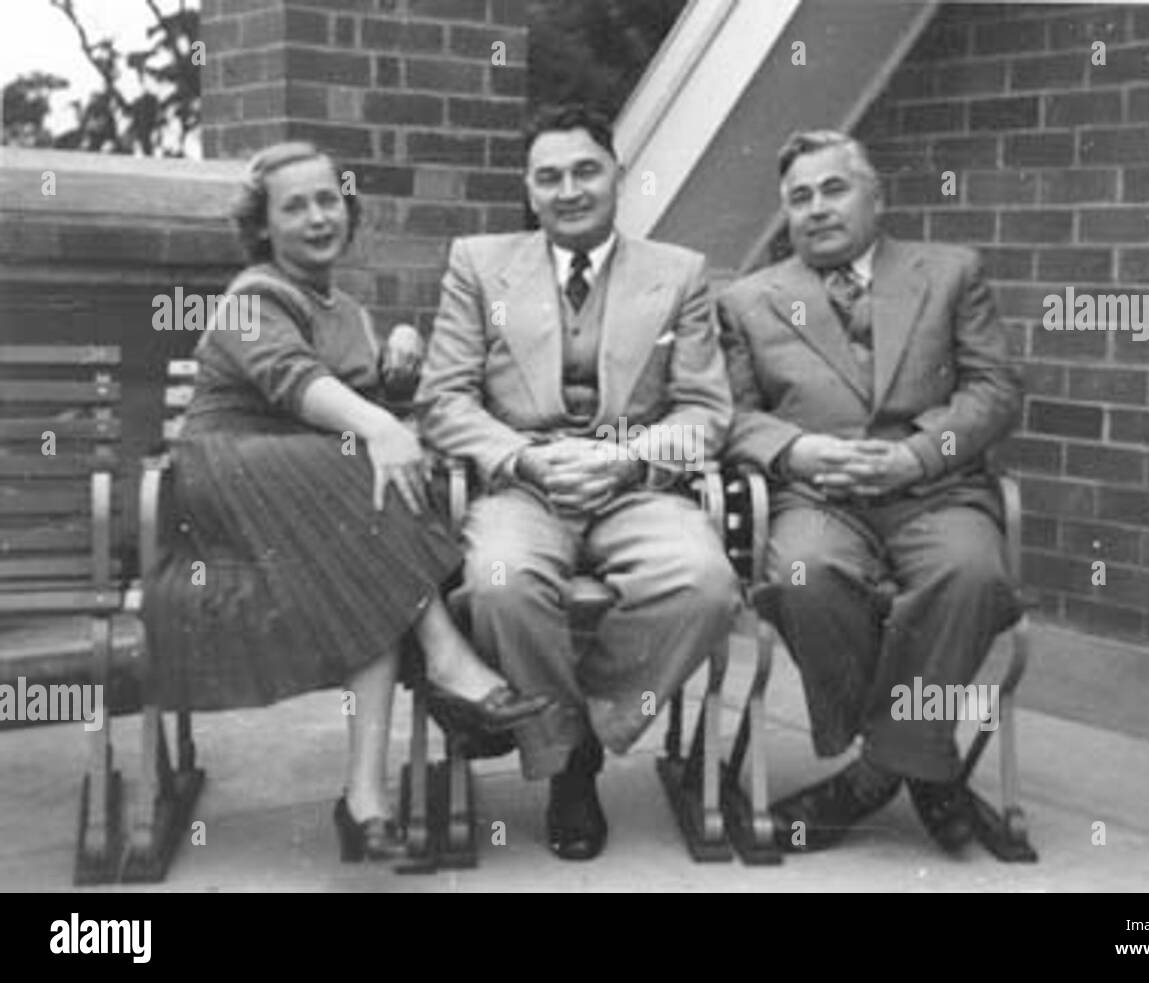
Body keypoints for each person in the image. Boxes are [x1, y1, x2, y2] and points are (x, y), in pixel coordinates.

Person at [141, 142, 550, 864]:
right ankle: (450, 657)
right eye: (294, 205)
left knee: (375, 582)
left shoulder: (350, 311)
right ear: (263, 227)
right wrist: (383, 421)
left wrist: (397, 356)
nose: (318, 216)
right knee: (364, 470)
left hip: (316, 500)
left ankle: (364, 801)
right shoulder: (250, 296)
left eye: (329, 199)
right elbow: (295, 382)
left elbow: (360, 410)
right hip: (226, 480)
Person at [416, 105, 739, 861]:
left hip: (636, 480)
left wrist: (629, 461)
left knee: (706, 583)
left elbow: (706, 409)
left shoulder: (679, 272)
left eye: (586, 170)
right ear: (528, 191)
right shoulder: (478, 263)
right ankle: (567, 769)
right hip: (523, 479)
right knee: (498, 582)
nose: (569, 190)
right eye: (549, 176)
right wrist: (523, 459)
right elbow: (443, 397)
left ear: (617, 176)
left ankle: (583, 730)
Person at [717, 130, 1023, 854]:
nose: (816, 209)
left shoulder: (950, 273)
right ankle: (926, 760)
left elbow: (996, 389)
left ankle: (873, 773)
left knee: (974, 572)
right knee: (804, 575)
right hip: (815, 497)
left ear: (875, 197)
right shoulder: (747, 299)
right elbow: (725, 414)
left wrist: (915, 456)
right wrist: (795, 449)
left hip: (934, 488)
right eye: (799, 198)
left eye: (833, 189)